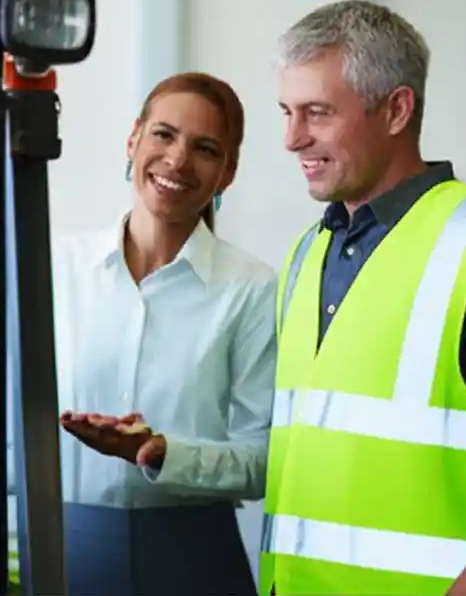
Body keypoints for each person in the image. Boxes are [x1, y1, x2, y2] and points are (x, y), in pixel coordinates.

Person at [260, 0, 466, 595]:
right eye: (286, 111)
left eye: (317, 112)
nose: (292, 138)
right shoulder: (306, 255)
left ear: (396, 110)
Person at [49, 72, 278, 595]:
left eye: (205, 148)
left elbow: (265, 458)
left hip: (193, 555)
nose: (177, 160)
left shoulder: (251, 289)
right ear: (133, 140)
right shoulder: (53, 268)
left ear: (228, 173)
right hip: (59, 546)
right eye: (164, 135)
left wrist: (161, 451)